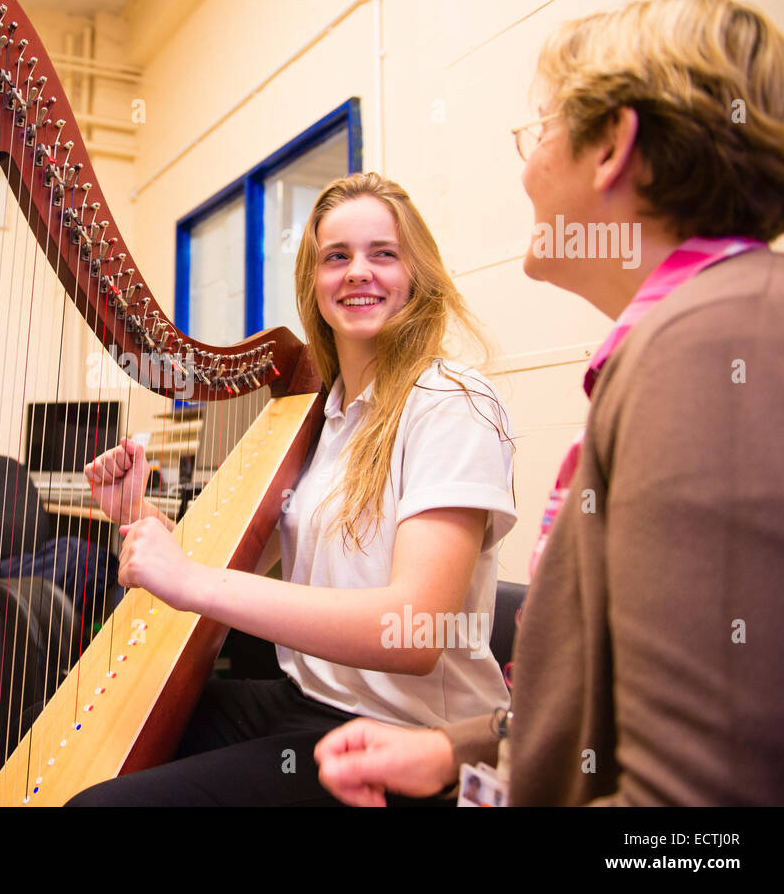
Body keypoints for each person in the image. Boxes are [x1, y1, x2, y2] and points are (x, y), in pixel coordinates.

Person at [315, 0, 784, 806]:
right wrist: (451, 748)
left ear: (612, 146)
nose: (528, 168)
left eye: (540, 132)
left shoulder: (716, 346)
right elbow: (597, 709)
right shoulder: (701, 328)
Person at [66, 172, 518, 806]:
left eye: (383, 253)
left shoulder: (451, 402)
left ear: (417, 274)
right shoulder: (324, 415)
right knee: (89, 727)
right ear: (312, 281)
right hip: (303, 701)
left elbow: (412, 630)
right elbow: (235, 564)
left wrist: (189, 581)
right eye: (337, 257)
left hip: (411, 736)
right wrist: (134, 512)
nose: (358, 272)